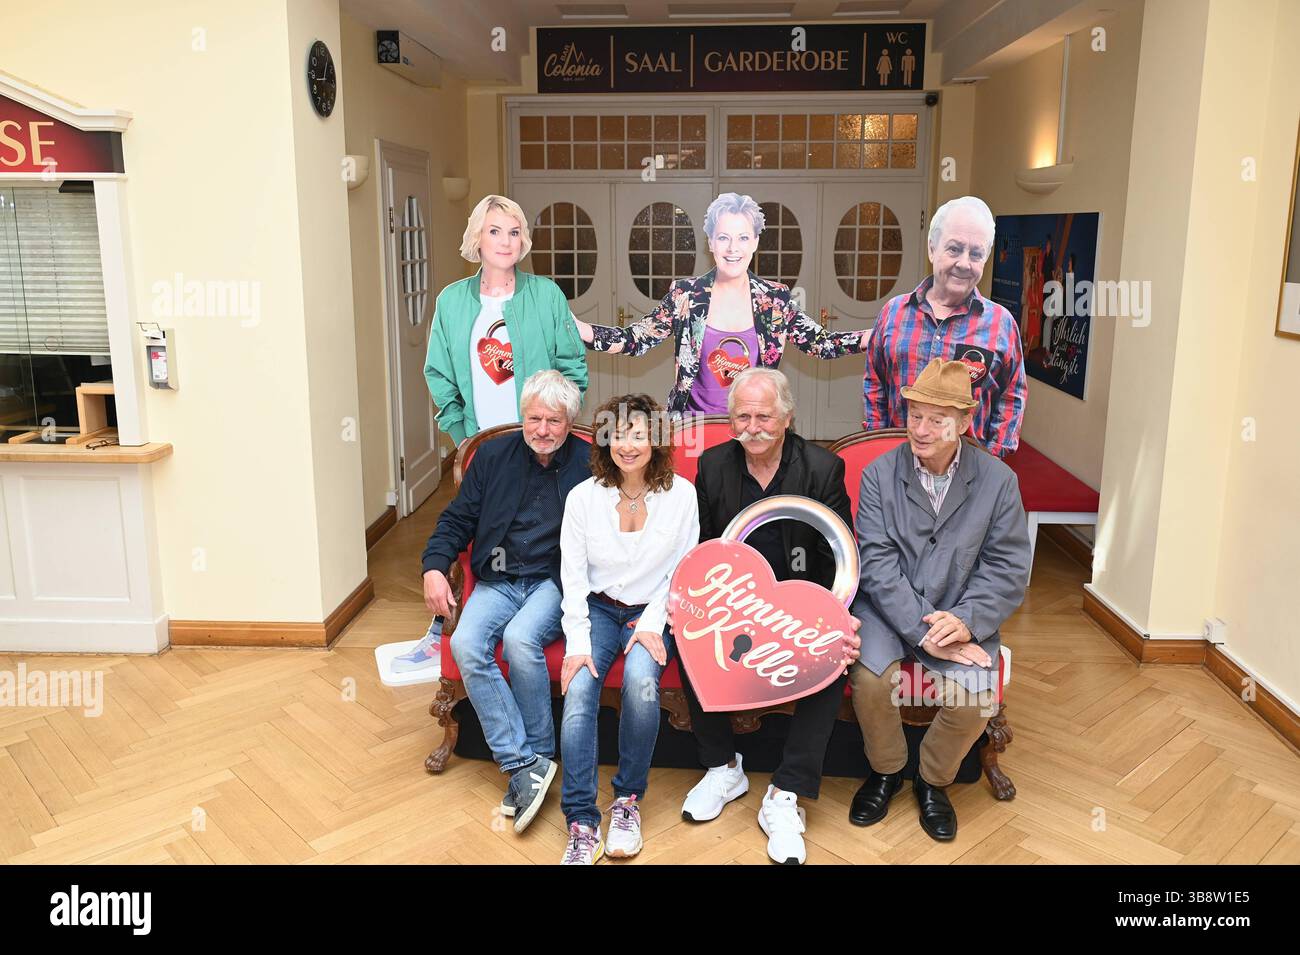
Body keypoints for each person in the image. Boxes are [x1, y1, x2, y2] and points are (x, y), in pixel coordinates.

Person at [396, 195, 588, 673]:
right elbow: (438, 374)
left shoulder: (546, 296)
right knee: (477, 530)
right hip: (481, 442)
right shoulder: (452, 300)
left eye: (514, 231)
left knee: (534, 532)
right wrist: (463, 434)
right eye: (494, 230)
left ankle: (526, 620)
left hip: (539, 438)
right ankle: (450, 624)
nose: (505, 240)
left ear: (524, 241)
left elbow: (573, 368)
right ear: (477, 239)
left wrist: (554, 420)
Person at [680, 367, 861, 865]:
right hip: (735, 604)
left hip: (800, 604)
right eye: (742, 415)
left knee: (832, 654)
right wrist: (695, 605)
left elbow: (839, 552)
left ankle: (786, 793)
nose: (753, 426)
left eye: (764, 415)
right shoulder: (714, 464)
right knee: (689, 634)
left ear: (787, 417)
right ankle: (722, 767)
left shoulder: (821, 468)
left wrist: (837, 615)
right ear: (730, 419)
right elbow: (704, 549)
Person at [848, 358, 1030, 841]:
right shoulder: (878, 475)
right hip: (889, 612)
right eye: (914, 416)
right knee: (868, 680)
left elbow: (1007, 567)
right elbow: (878, 564)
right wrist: (924, 634)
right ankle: (887, 770)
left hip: (960, 612)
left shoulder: (997, 481)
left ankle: (932, 781)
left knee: (976, 696)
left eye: (936, 419)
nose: (921, 430)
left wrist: (968, 622)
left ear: (964, 423)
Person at [418, 371, 591, 832]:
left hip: (552, 582)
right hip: (497, 578)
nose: (542, 430)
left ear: (570, 422)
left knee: (519, 639)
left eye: (554, 420)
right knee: (466, 643)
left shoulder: (590, 462)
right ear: (522, 416)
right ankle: (523, 765)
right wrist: (434, 566)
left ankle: (538, 755)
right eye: (534, 418)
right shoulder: (493, 456)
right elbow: (457, 520)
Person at [555, 394, 699, 865]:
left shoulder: (681, 495)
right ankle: (580, 821)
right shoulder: (583, 498)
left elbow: (681, 571)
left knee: (640, 684)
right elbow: (573, 578)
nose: (628, 444)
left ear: (656, 439)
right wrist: (577, 644)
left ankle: (626, 803)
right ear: (604, 440)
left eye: (639, 433)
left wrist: (654, 623)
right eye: (618, 434)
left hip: (652, 610)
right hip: (597, 609)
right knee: (578, 688)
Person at [573, 192, 867, 419]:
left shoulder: (774, 300)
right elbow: (635, 340)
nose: (732, 248)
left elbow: (820, 344)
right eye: (723, 238)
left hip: (753, 429)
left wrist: (874, 335)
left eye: (742, 238)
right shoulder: (686, 295)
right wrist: (581, 329)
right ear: (710, 243)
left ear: (754, 242)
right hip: (692, 430)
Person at [862, 195, 1027, 458]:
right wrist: (878, 449)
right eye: (954, 249)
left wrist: (991, 463)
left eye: (976, 254)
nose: (964, 263)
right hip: (897, 466)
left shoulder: (1001, 324)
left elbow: (1011, 398)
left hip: (970, 475)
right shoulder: (893, 313)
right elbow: (875, 385)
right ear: (932, 248)